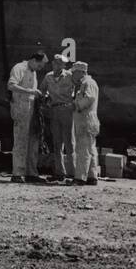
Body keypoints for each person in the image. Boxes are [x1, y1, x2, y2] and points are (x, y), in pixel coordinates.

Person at [7, 50, 47, 183]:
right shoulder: (19, 68)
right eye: (40, 65)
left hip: (31, 109)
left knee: (32, 141)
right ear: (34, 61)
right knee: (21, 141)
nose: (40, 69)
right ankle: (17, 173)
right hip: (21, 109)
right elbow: (11, 85)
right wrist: (30, 91)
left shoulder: (33, 72)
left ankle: (31, 172)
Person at [41, 53, 77, 182]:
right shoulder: (48, 76)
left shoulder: (69, 76)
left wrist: (75, 102)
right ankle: (59, 172)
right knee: (57, 143)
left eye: (62, 63)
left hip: (67, 109)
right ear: (53, 63)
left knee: (69, 143)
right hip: (54, 110)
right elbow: (42, 91)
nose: (59, 65)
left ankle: (73, 173)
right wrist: (46, 101)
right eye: (56, 63)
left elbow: (79, 87)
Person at [71, 60, 100, 186]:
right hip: (88, 119)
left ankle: (80, 178)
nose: (73, 75)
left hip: (85, 119)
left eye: (74, 72)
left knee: (83, 149)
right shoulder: (87, 83)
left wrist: (77, 105)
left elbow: (89, 98)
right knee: (90, 148)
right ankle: (91, 176)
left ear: (81, 72)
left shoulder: (88, 83)